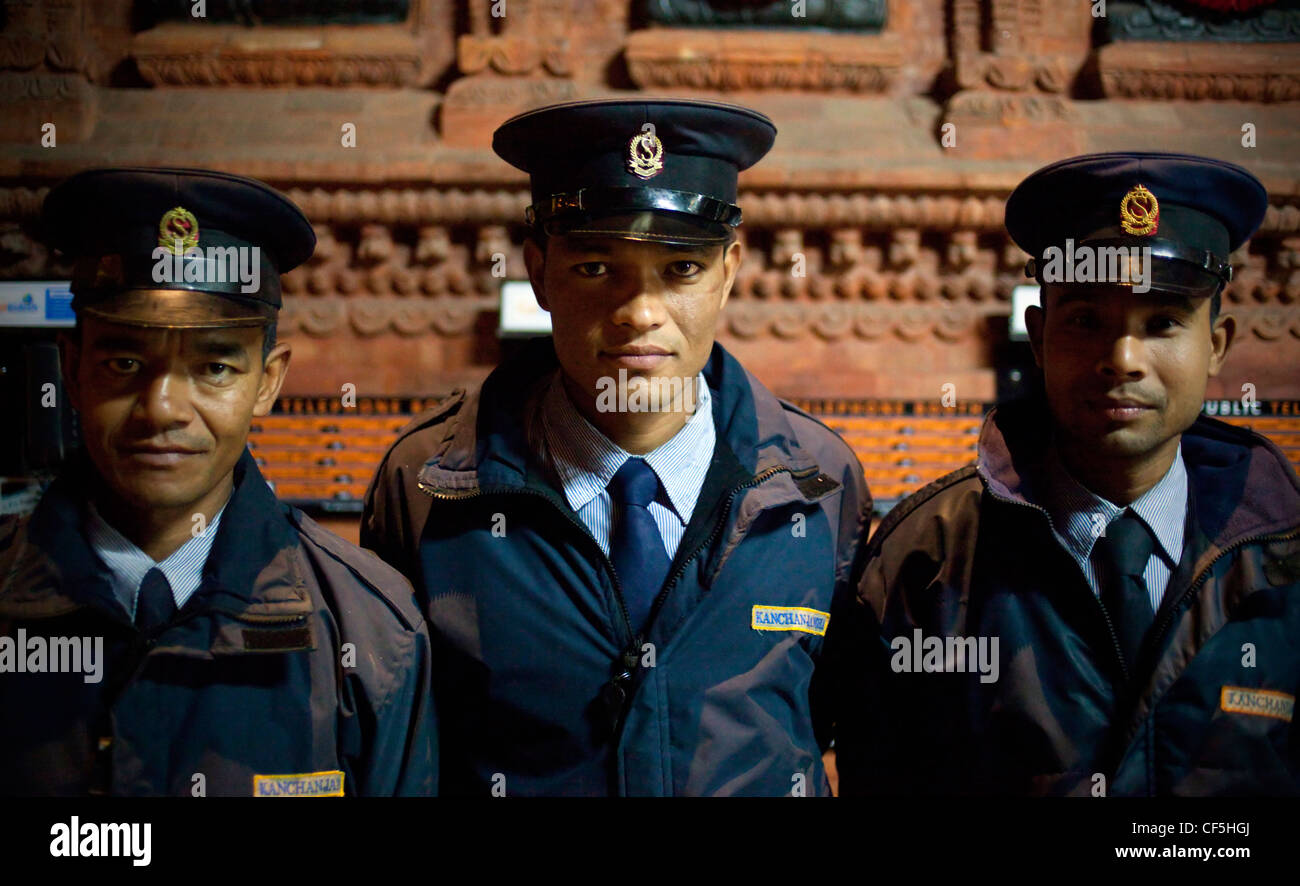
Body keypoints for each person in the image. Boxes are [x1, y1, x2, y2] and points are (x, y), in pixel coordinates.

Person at [363, 99, 870, 796]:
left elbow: (834, 722)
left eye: (682, 270)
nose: (639, 311)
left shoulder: (819, 483)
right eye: (597, 267)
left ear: (730, 270)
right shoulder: (426, 487)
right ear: (539, 272)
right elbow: (398, 752)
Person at [831, 152, 1300, 796]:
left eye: (1162, 323)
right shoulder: (927, 560)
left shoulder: (1286, 560)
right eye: (1086, 322)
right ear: (1039, 334)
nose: (1124, 360)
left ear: (1216, 345)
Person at [0, 168, 437, 796]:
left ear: (267, 381)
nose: (163, 408)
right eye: (125, 362)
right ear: (72, 371)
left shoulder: (370, 632)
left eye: (213, 366)